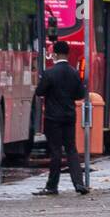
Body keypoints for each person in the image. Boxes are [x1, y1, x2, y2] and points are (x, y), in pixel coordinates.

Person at [33, 40, 89, 196]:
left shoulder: (49, 73)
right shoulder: (74, 73)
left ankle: (52, 186)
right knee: (71, 149)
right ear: (68, 54)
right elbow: (79, 95)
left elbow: (39, 92)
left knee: (56, 151)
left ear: (55, 54)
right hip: (69, 116)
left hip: (53, 118)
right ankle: (79, 183)